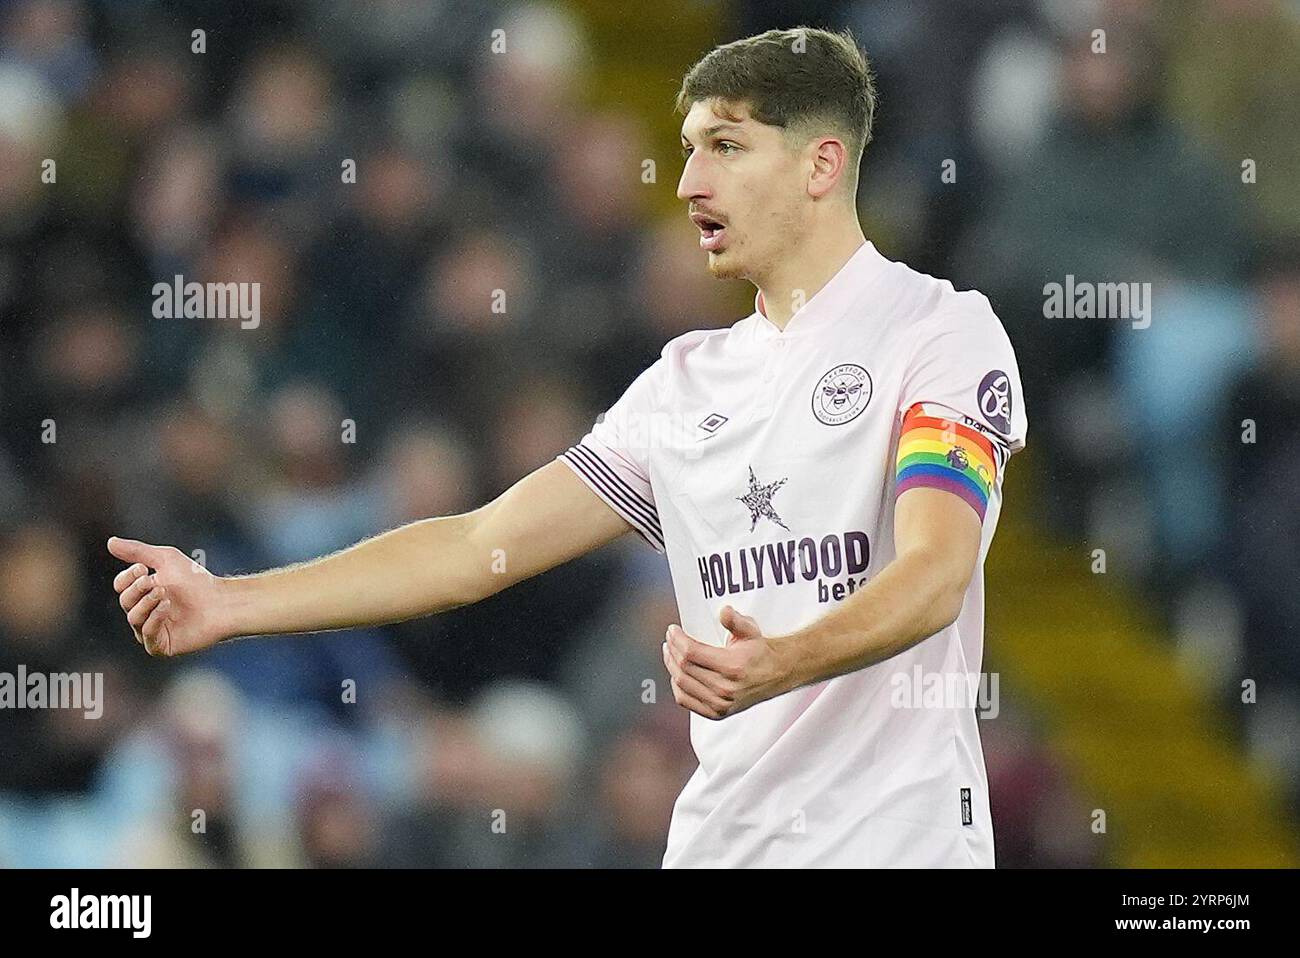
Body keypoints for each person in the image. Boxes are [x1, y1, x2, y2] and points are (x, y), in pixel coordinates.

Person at [109, 26, 1027, 867]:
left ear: (822, 164)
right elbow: (475, 548)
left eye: (728, 148)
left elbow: (934, 576)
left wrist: (783, 659)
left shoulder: (938, 334)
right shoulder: (683, 383)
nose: (688, 184)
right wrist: (231, 601)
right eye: (688, 151)